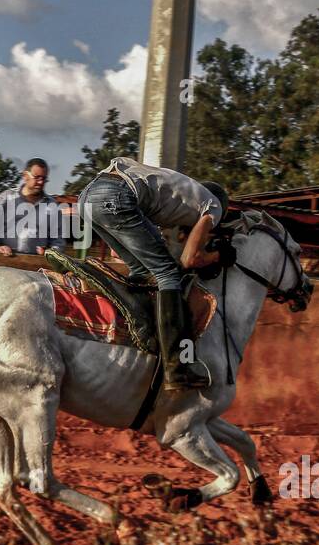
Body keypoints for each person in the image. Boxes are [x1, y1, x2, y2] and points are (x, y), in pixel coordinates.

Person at [77, 157, 229, 392]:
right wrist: (217, 257)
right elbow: (189, 259)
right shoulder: (213, 207)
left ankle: (139, 333)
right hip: (116, 195)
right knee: (169, 274)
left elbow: (160, 243)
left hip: (88, 196)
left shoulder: (182, 194)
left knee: (141, 270)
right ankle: (178, 367)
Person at [0, 157, 67, 256]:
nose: (40, 182)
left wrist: (50, 253)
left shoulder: (53, 206)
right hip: (4, 260)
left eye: (44, 178)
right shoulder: (7, 198)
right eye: (36, 177)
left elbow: (58, 239)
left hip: (36, 265)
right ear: (25, 176)